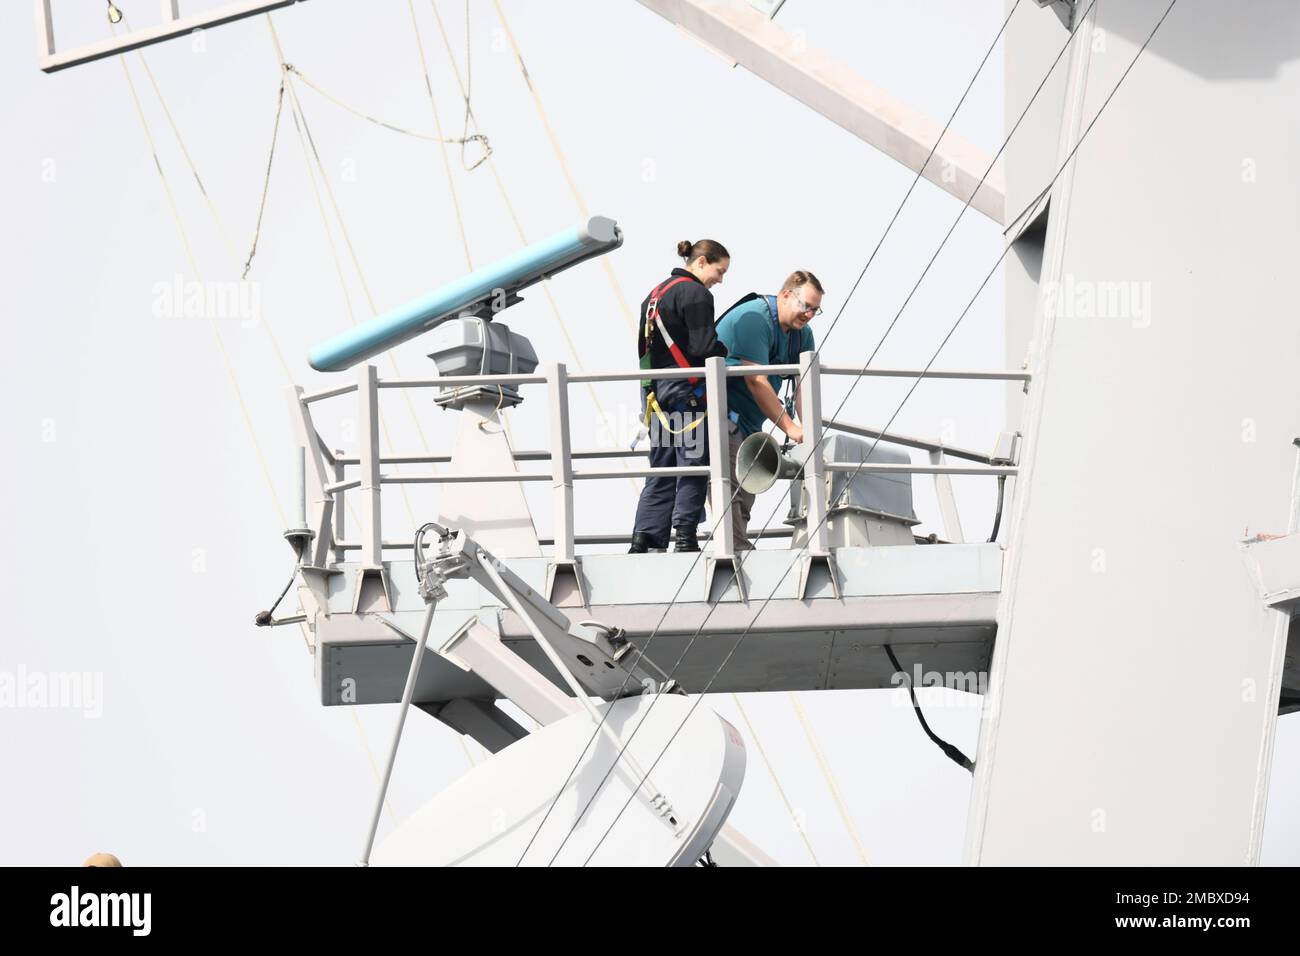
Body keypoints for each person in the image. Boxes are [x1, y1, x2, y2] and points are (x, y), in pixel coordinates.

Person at [629, 239, 731, 553]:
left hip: (655, 393)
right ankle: (685, 537)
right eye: (719, 271)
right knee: (693, 462)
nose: (720, 280)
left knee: (662, 466)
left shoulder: (653, 295)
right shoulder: (696, 294)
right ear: (701, 262)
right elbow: (703, 347)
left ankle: (644, 537)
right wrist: (725, 351)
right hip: (686, 391)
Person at [715, 270, 823, 551]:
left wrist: (808, 428)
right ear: (786, 295)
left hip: (749, 424)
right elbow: (756, 381)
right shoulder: (755, 319)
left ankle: (737, 548)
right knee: (730, 490)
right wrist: (791, 428)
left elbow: (803, 386)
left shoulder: (802, 335)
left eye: (815, 310)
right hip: (719, 417)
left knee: (746, 492)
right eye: (805, 306)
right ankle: (736, 551)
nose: (809, 314)